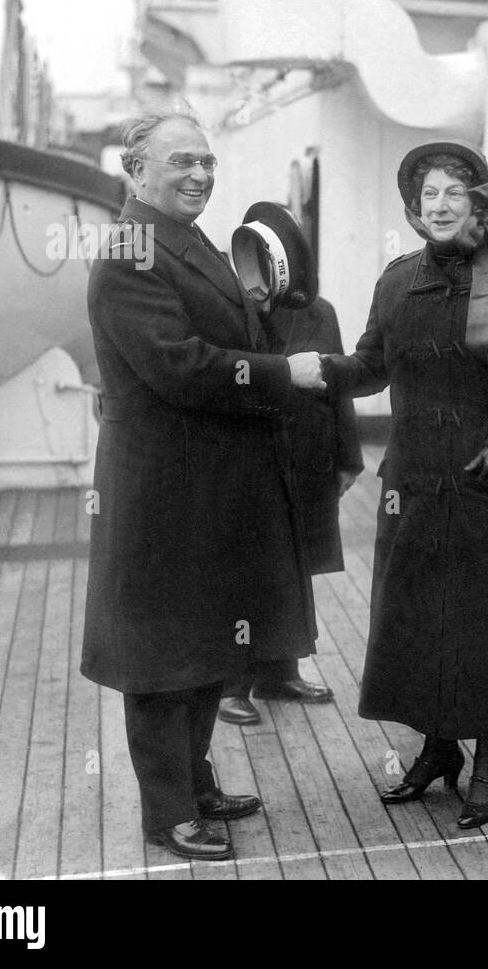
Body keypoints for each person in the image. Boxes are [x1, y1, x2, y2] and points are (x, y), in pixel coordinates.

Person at [82, 111, 327, 861]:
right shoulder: (131, 252)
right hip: (161, 485)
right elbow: (180, 365)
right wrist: (285, 373)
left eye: (208, 163)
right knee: (159, 654)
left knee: (203, 641)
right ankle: (168, 813)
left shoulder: (187, 241)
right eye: (182, 162)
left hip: (207, 480)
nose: (199, 175)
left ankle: (195, 783)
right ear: (137, 170)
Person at [322, 141, 488, 829]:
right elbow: (374, 363)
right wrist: (318, 369)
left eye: (453, 195)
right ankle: (437, 750)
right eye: (428, 196)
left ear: (476, 202)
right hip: (413, 478)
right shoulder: (397, 280)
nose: (439, 207)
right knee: (418, 617)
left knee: (486, 623)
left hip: (486, 476)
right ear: (414, 208)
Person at [217, 204, 365, 725]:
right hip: (250, 461)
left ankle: (280, 670)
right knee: (245, 570)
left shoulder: (319, 312)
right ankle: (232, 682)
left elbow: (338, 386)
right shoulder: (232, 310)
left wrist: (349, 457)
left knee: (293, 567)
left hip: (307, 457)